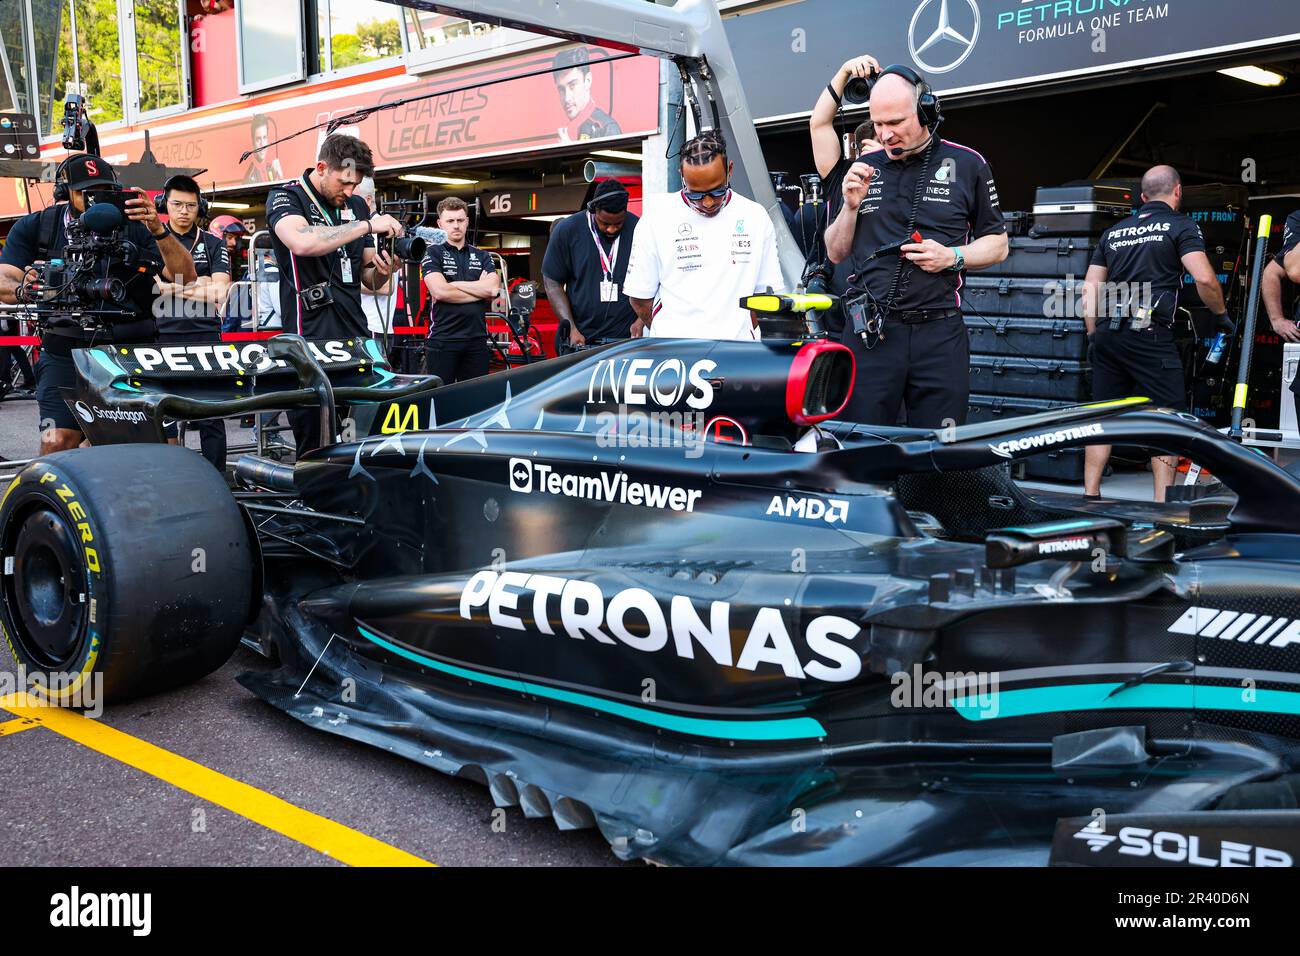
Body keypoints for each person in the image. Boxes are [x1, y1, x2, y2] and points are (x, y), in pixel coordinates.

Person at [825, 65, 1008, 428]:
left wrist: (953, 257)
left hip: (939, 334)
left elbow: (998, 245)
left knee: (938, 450)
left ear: (925, 111)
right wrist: (849, 206)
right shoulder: (862, 168)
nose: (885, 134)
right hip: (870, 332)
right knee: (862, 444)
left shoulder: (968, 164)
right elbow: (835, 252)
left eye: (895, 122)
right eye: (877, 124)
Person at [0, 154, 196, 455]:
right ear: (65, 194)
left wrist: (158, 229)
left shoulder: (137, 223)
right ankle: (52, 501)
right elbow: (4, 279)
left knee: (162, 443)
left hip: (133, 346)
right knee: (57, 440)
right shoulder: (38, 226)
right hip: (65, 350)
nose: (97, 200)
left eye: (105, 190)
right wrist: (37, 290)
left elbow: (185, 276)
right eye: (87, 193)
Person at [1082, 165, 1229, 502]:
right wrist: (1220, 315)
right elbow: (1204, 279)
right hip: (1149, 332)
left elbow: (1089, 289)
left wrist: (1093, 334)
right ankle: (1162, 504)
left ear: (1143, 197)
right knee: (1166, 416)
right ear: (1177, 192)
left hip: (1107, 333)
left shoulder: (1114, 232)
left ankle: (1089, 495)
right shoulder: (1181, 226)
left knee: (1101, 415)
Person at [267, 133, 404, 454]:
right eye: (344, 183)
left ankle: (352, 498)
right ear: (321, 167)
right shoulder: (287, 197)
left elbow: (368, 278)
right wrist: (366, 226)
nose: (349, 191)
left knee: (355, 433)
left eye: (355, 185)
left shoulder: (355, 205)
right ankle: (312, 498)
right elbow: (302, 241)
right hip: (309, 334)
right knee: (315, 439)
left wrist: (385, 267)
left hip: (354, 332)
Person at [622, 131, 783, 341]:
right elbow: (640, 299)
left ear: (730, 171)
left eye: (717, 192)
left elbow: (766, 295)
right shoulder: (656, 218)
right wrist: (669, 333)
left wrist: (743, 333)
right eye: (695, 194)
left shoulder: (755, 216)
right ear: (682, 175)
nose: (707, 202)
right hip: (676, 354)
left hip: (738, 353)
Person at [154, 174, 231, 471]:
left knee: (211, 414)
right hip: (163, 336)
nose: (184, 211)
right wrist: (200, 284)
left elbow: (221, 291)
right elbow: (151, 288)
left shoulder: (212, 242)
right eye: (177, 204)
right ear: (165, 205)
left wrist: (170, 285)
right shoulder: (154, 240)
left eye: (190, 205)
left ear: (200, 206)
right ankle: (174, 477)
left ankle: (219, 478)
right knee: (166, 413)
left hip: (206, 336)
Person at [542, 179, 638, 350]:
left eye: (618, 224)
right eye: (605, 223)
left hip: (627, 341)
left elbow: (657, 280)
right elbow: (552, 282)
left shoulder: (638, 229)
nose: (611, 229)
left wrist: (641, 321)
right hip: (581, 340)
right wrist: (570, 327)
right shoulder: (567, 230)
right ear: (593, 211)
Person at [420, 196, 498, 383]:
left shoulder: (482, 255)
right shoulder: (432, 252)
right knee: (439, 402)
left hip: (477, 341)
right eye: (450, 221)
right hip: (443, 341)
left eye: (460, 220)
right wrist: (478, 288)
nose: (456, 226)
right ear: (440, 223)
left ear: (467, 221)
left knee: (476, 401)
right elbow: (440, 292)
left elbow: (493, 290)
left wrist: (454, 285)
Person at [355, 177, 398, 344]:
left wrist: (339, 286)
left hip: (372, 327)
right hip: (370, 326)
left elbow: (387, 287)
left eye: (352, 197)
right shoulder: (374, 228)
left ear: (367, 200)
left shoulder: (380, 231)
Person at [553, 48, 621, 143]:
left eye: (572, 85)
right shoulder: (570, 130)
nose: (567, 98)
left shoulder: (606, 127)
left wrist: (570, 150)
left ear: (587, 81)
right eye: (561, 89)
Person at [244, 114, 284, 184]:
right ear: (253, 142)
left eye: (264, 137)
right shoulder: (250, 177)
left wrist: (279, 179)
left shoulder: (270, 168)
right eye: (258, 139)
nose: (262, 144)